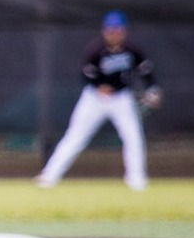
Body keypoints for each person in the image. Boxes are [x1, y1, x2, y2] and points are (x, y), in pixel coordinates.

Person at [35, 11, 161, 191]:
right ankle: (49, 176)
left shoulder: (132, 50)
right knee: (75, 137)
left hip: (121, 98)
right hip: (94, 98)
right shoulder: (95, 50)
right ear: (104, 31)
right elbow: (85, 75)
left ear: (124, 31)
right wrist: (99, 86)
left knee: (133, 137)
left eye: (117, 31)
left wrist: (153, 90)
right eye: (111, 31)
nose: (114, 34)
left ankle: (137, 180)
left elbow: (147, 73)